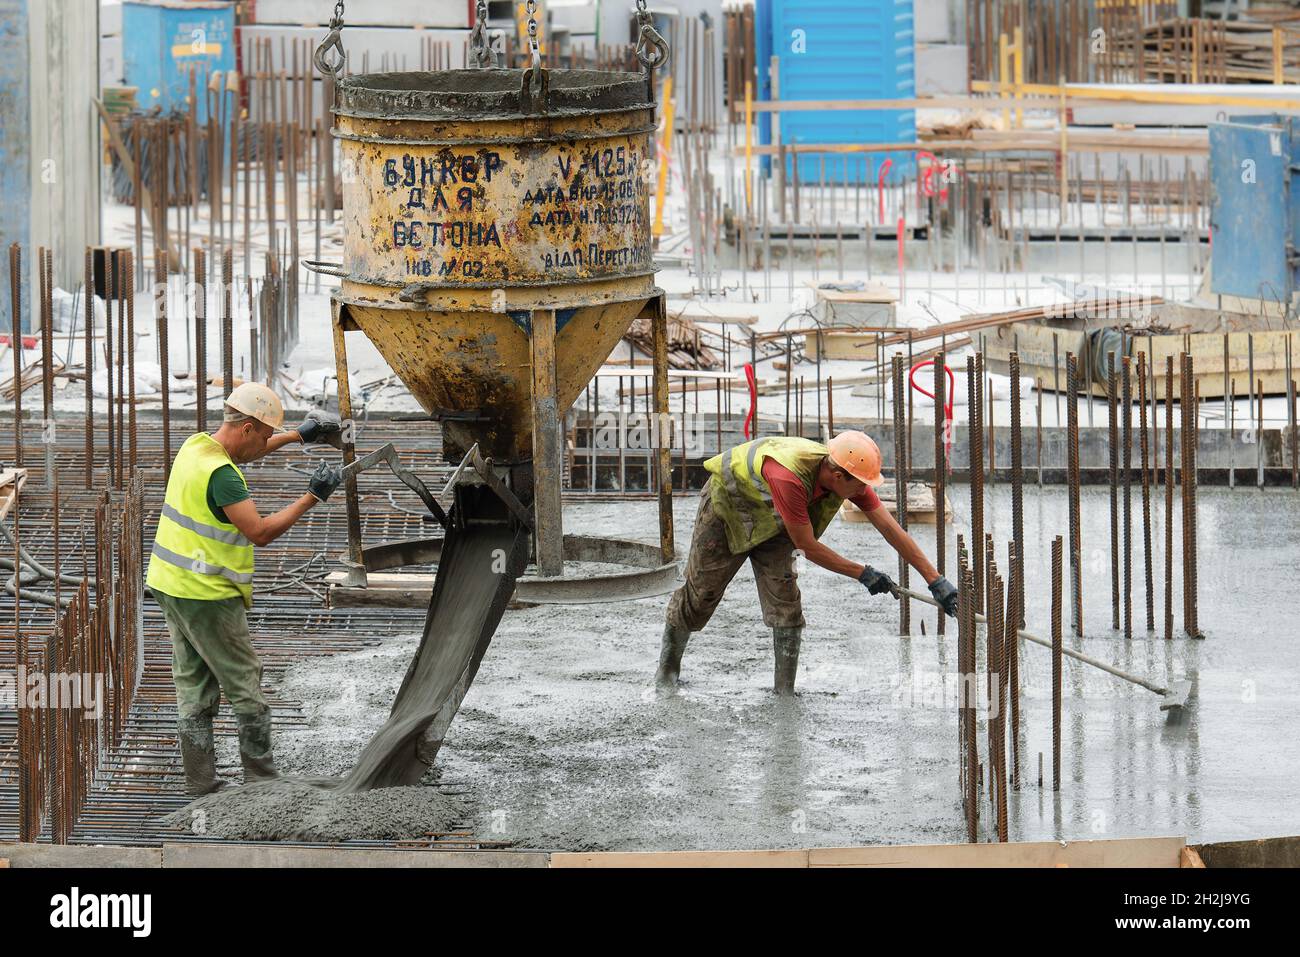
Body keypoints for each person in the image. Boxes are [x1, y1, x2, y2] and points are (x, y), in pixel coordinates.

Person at [145, 382, 344, 794]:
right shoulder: (225, 477)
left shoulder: (197, 446)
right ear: (249, 427)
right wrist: (312, 496)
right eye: (267, 435)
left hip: (170, 583)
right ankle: (261, 779)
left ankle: (200, 783)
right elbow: (259, 532)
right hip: (206, 595)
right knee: (244, 683)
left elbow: (244, 453)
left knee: (194, 681)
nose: (267, 443)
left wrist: (298, 436)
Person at [656, 431, 959, 695]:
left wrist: (935, 581)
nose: (863, 492)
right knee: (701, 594)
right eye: (860, 485)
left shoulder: (846, 478)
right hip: (729, 509)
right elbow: (808, 547)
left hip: (776, 520)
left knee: (786, 603)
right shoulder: (789, 476)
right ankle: (667, 674)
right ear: (838, 476)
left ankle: (784, 692)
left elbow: (891, 529)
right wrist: (862, 573)